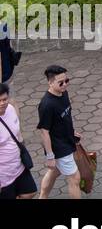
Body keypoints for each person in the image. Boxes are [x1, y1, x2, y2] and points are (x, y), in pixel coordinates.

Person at [36, 65, 80, 199]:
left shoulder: (63, 93)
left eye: (67, 81)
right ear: (50, 82)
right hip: (59, 147)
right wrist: (50, 156)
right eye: (61, 82)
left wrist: (72, 132)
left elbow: (65, 117)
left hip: (67, 140)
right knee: (74, 178)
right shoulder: (47, 105)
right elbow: (44, 132)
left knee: (54, 172)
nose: (65, 85)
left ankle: (42, 197)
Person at [0, 84, 36, 199]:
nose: (2, 103)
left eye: (4, 99)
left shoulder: (10, 109)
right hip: (3, 176)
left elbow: (17, 131)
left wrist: (22, 145)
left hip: (19, 166)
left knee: (30, 193)